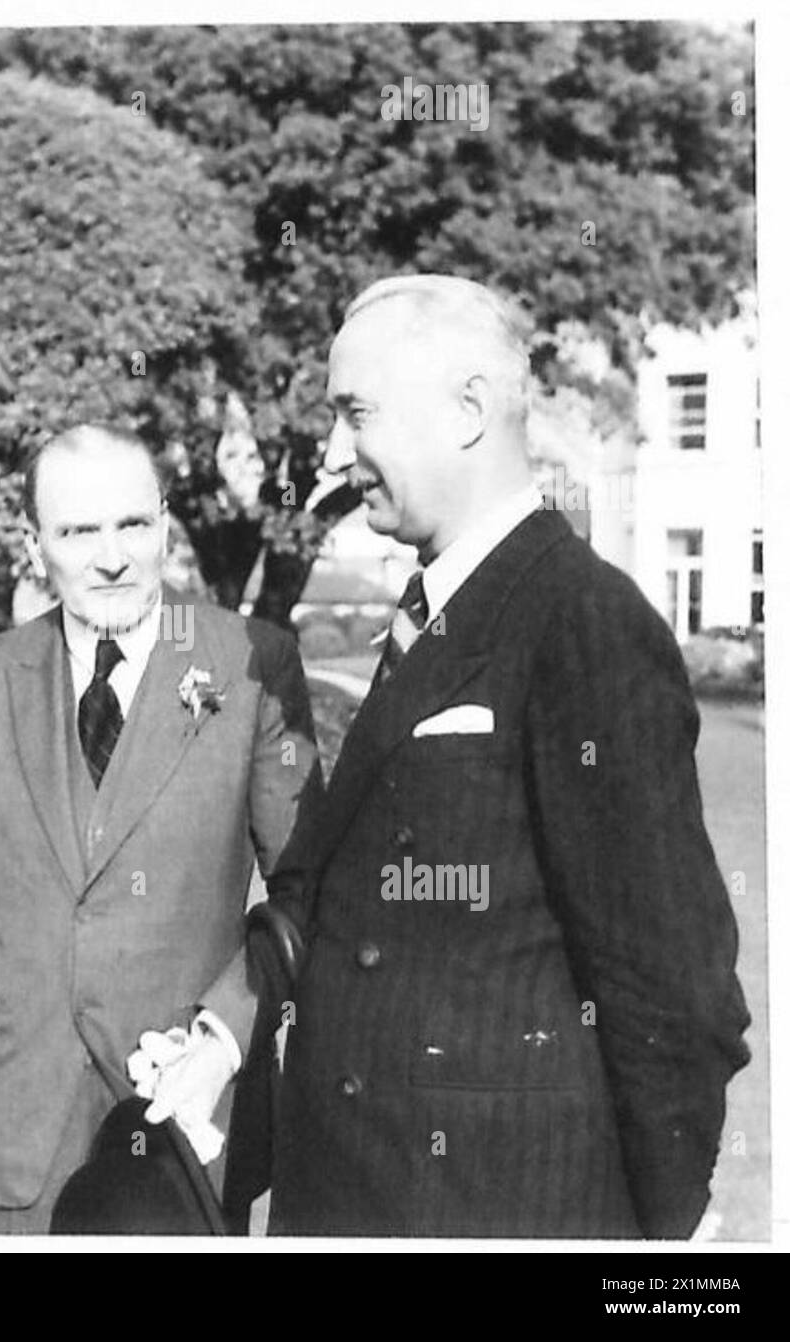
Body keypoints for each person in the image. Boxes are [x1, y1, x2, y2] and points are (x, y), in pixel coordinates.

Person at [258, 275, 750, 1238]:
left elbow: (674, 991)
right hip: (364, 1196)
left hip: (496, 1209)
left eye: (355, 411)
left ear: (470, 410)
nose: (334, 451)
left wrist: (650, 1236)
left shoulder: (583, 620)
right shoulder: (438, 612)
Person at [0, 425, 319, 1233]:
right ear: (37, 543)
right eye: (77, 531)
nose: (111, 558)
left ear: (165, 525)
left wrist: (223, 1036)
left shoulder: (250, 662)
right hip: (10, 1134)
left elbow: (306, 889)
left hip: (181, 1120)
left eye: (133, 525)